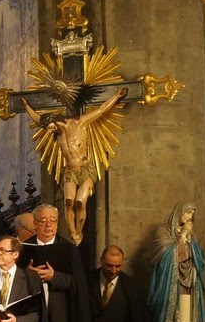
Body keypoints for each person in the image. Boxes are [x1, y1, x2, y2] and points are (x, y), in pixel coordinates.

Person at [20, 88, 127, 245]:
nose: (49, 132)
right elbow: (38, 119)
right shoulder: (57, 133)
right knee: (68, 201)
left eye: (49, 127)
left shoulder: (79, 122)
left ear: (54, 120)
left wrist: (117, 95)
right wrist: (26, 107)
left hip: (85, 169)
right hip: (70, 171)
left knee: (79, 202)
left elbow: (101, 110)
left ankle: (79, 230)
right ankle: (74, 233)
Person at [146, 201, 205, 322]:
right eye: (188, 213)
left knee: (185, 321)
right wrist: (181, 237)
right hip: (169, 286)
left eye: (192, 215)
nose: (190, 217)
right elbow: (162, 256)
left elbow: (200, 261)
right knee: (169, 321)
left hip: (188, 287)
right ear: (179, 212)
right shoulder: (164, 231)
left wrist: (189, 240)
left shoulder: (192, 236)